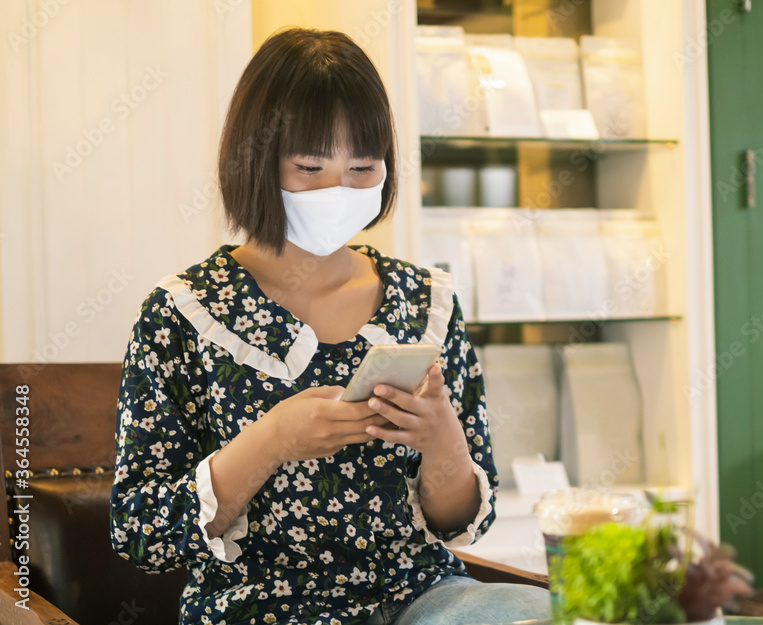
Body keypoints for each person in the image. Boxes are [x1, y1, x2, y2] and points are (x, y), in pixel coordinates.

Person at [110, 28, 550, 625]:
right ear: (256, 161)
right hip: (256, 608)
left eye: (363, 167)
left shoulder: (426, 300)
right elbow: (141, 534)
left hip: (422, 600)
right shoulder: (182, 313)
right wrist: (270, 443)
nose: (338, 190)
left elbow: (465, 522)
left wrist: (441, 437)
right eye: (311, 167)